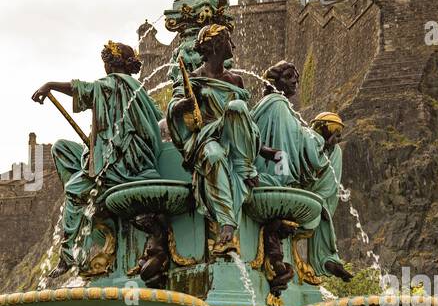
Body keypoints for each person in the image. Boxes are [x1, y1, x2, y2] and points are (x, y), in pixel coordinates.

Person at [32, 42, 163, 280]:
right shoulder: (137, 88)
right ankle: (89, 195)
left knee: (73, 189)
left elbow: (81, 88)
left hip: (123, 164)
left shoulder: (114, 83)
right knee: (62, 149)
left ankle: (68, 255)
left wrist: (50, 85)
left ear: (110, 63)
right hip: (121, 156)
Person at [253, 60, 351, 281]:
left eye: (296, 76)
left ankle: (326, 256)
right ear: (275, 81)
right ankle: (283, 182)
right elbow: (284, 144)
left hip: (285, 164)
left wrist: (324, 141)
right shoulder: (275, 104)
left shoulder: (284, 109)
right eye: (289, 76)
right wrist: (317, 139)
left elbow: (297, 137)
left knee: (335, 153)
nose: (296, 80)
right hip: (273, 168)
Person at [167, 23, 260, 254]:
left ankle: (244, 166)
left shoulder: (236, 80)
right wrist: (183, 105)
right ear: (217, 45)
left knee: (237, 106)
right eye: (229, 41)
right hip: (207, 137)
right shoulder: (194, 78)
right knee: (214, 155)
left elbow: (246, 117)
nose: (234, 46)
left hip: (235, 135)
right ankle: (227, 226)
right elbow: (172, 108)